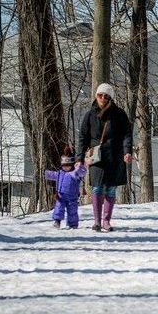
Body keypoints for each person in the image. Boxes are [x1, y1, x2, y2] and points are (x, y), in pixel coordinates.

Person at [76, 82, 133, 232]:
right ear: (96, 96)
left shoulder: (119, 114)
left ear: (110, 98)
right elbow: (83, 137)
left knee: (111, 189)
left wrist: (127, 151)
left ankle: (106, 221)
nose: (102, 98)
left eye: (106, 96)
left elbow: (127, 133)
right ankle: (96, 221)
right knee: (96, 188)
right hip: (96, 157)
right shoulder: (89, 115)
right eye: (100, 95)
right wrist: (79, 158)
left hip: (115, 155)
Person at [44, 146, 87, 229]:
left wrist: (79, 166)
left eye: (68, 165)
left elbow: (83, 172)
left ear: (72, 165)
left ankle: (73, 224)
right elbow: (53, 175)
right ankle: (57, 221)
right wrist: (46, 173)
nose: (66, 167)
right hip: (61, 196)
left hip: (72, 196)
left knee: (72, 211)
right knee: (58, 208)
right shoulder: (60, 173)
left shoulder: (75, 173)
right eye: (64, 166)